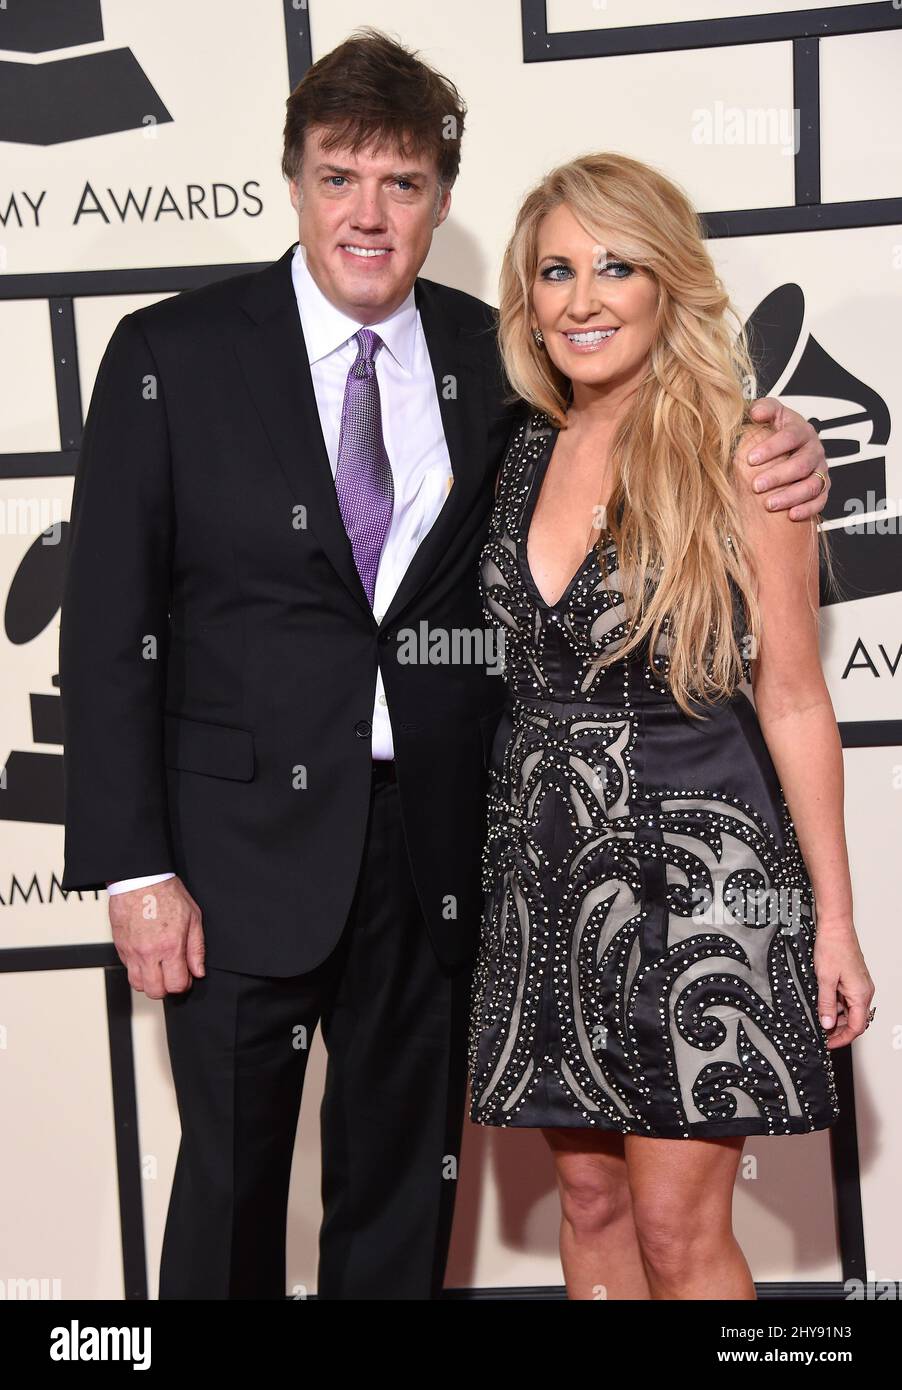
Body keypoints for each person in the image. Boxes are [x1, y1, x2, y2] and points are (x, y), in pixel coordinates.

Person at [59, 30, 832, 1300]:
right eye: (337, 177)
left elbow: (642, 440)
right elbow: (105, 630)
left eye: (401, 183)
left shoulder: (507, 361)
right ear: (294, 182)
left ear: (440, 200)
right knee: (230, 1189)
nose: (368, 214)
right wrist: (136, 868)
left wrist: (776, 437)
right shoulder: (171, 356)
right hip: (231, 854)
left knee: (399, 1201)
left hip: (445, 852)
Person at [466, 151, 875, 1300]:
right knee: (587, 1200)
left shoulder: (742, 454)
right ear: (526, 297)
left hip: (700, 868)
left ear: (667, 285)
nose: (582, 297)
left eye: (615, 266)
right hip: (544, 870)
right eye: (555, 270)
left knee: (674, 1226)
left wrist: (831, 922)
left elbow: (792, 693)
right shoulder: (514, 451)